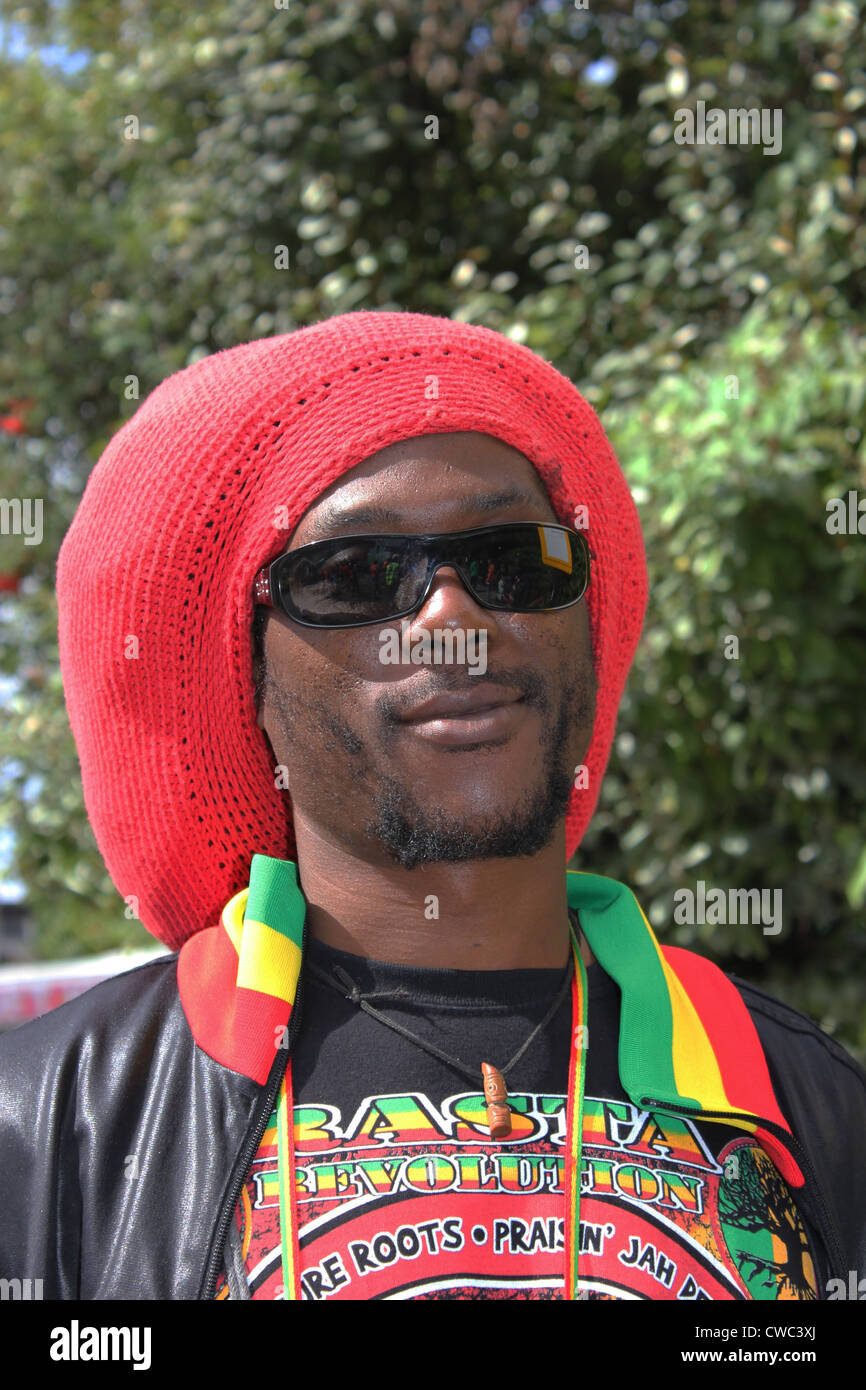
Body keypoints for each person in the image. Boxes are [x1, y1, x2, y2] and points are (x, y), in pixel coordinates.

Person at [0, 311, 863, 1302]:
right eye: (356, 578)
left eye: (512, 563)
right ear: (243, 683)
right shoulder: (49, 1126)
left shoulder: (801, 1105)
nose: (453, 617)